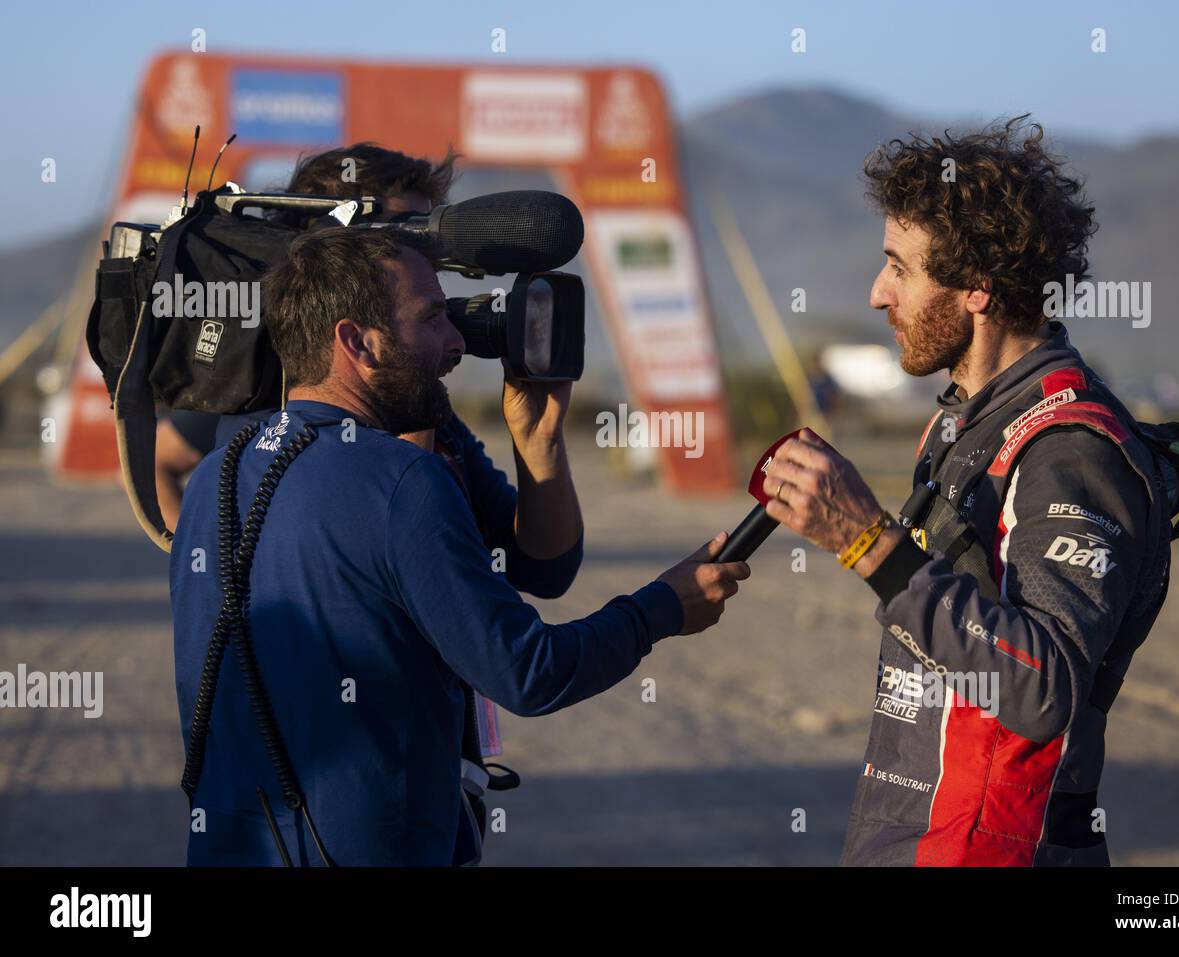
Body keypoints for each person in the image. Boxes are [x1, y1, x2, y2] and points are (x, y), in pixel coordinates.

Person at [169, 226, 751, 865]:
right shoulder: (402, 480)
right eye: (434, 318)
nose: (457, 344)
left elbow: (542, 564)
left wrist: (540, 444)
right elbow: (528, 673)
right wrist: (662, 607)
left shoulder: (214, 477)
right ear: (357, 342)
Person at [759, 118, 1171, 866]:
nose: (877, 291)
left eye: (899, 267)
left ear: (978, 286)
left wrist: (866, 539)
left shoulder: (1067, 449)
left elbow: (1045, 688)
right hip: (916, 838)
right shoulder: (964, 422)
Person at [155, 142, 454, 529]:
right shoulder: (259, 383)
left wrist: (538, 444)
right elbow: (160, 462)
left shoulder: (429, 399)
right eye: (400, 235)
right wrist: (204, 564)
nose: (420, 258)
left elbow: (540, 565)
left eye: (424, 235)